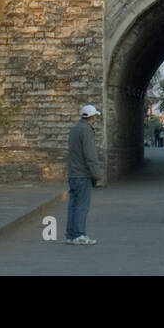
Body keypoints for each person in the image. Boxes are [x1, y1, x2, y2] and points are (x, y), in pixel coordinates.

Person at [65, 104, 104, 245]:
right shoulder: (86, 130)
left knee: (73, 205)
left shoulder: (74, 129)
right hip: (83, 173)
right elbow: (90, 154)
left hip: (73, 173)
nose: (95, 119)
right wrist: (96, 174)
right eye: (95, 117)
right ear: (92, 117)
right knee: (82, 205)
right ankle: (79, 234)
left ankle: (70, 234)